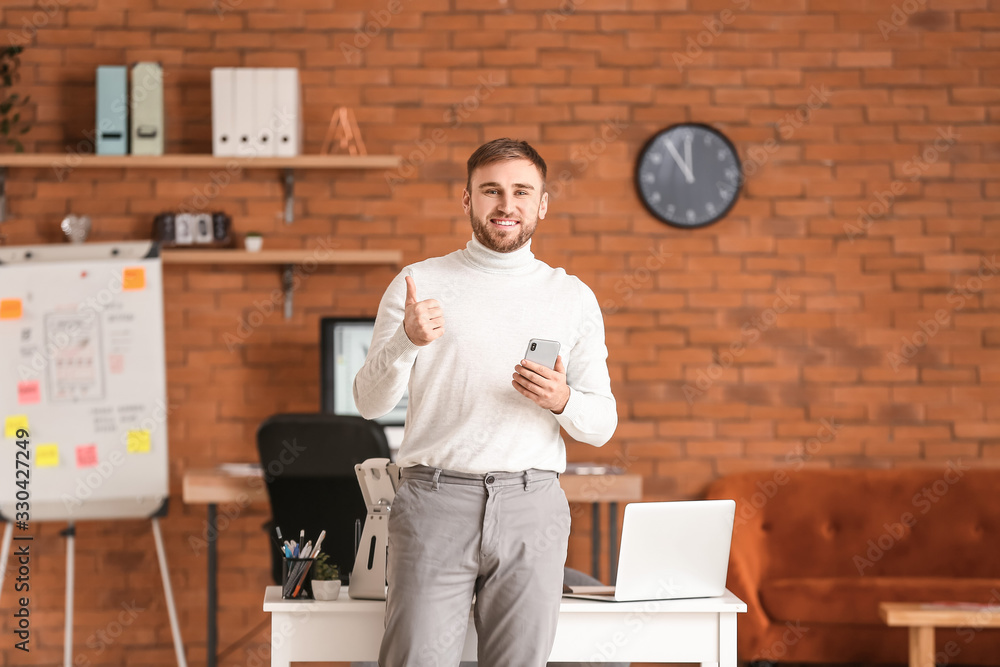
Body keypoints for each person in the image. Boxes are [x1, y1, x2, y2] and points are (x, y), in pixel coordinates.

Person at [354, 138, 617, 667]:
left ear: (542, 204)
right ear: (467, 199)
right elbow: (368, 402)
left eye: (522, 192)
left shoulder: (572, 296)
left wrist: (563, 400)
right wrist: (406, 341)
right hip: (433, 501)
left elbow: (602, 424)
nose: (506, 205)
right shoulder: (418, 284)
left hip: (531, 504)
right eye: (491, 190)